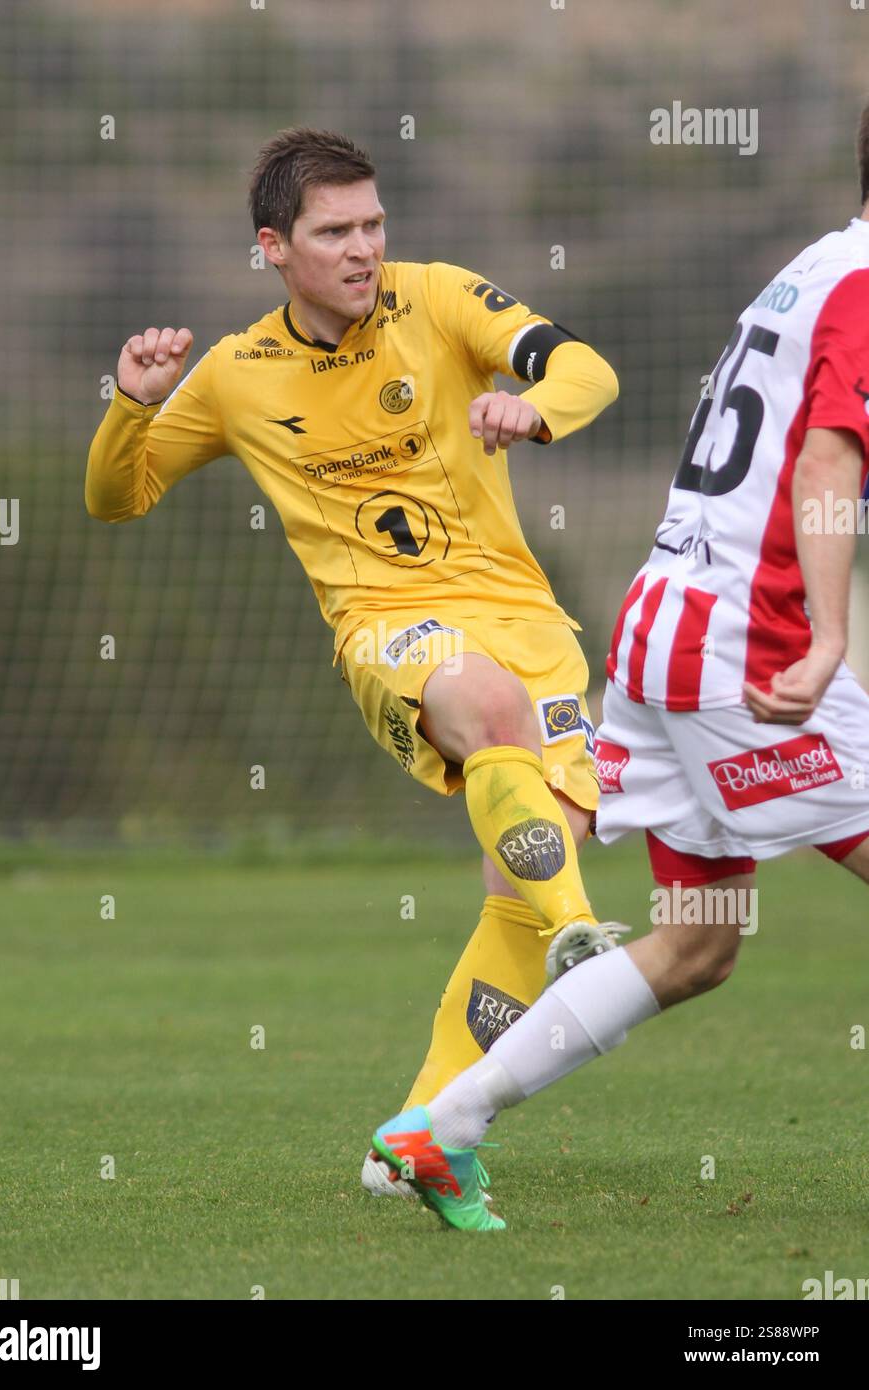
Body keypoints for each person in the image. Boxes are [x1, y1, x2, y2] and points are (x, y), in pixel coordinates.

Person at [85, 127, 623, 1196]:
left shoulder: (439, 297)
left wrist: (534, 406)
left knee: (519, 875)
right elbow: (118, 494)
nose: (364, 247)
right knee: (483, 707)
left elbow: (586, 366)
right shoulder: (238, 373)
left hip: (527, 618)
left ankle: (421, 1136)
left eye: (373, 223)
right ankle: (582, 940)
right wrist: (131, 403)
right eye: (335, 231)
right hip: (391, 628)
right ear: (272, 247)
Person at [370, 104, 869, 1231]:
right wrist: (833, 635)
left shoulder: (816, 268)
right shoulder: (861, 288)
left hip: (667, 628)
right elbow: (828, 456)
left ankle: (437, 1128)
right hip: (746, 646)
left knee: (697, 943)